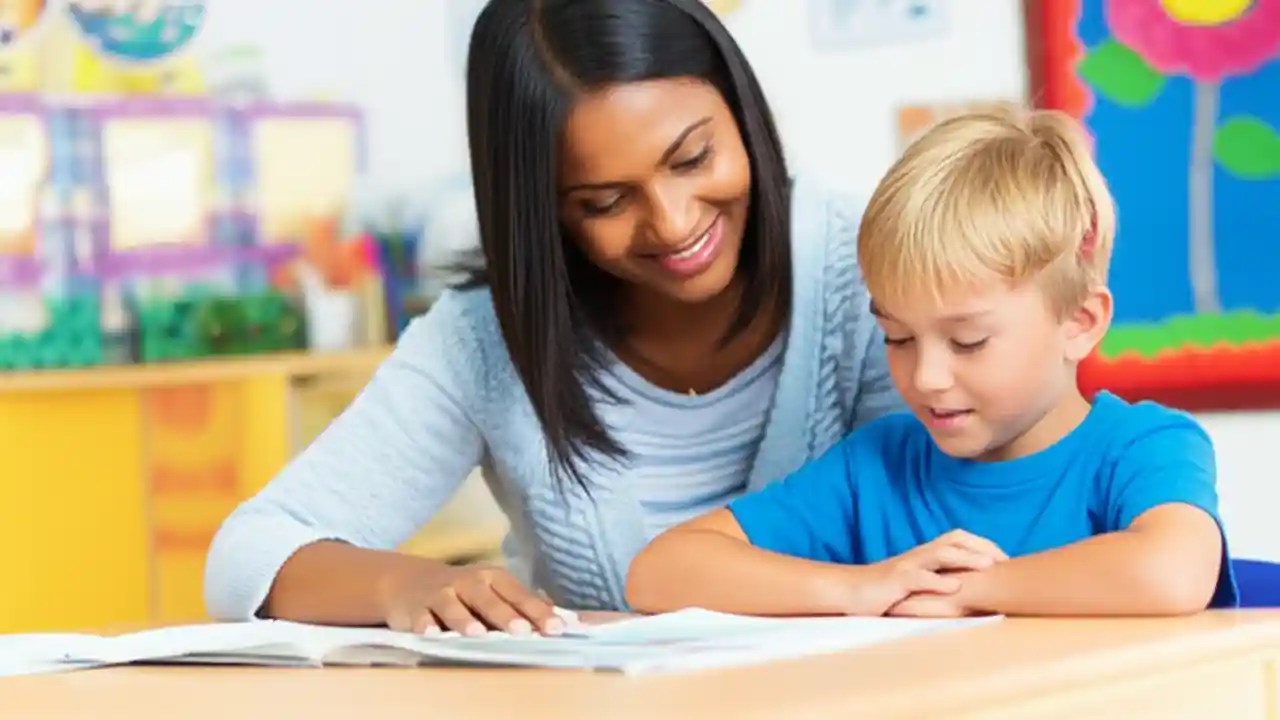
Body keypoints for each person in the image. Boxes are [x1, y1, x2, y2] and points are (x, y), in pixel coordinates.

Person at [203, 0, 903, 636]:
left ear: (741, 109)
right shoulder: (484, 339)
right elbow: (249, 552)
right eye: (604, 202)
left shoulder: (872, 268)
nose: (674, 223)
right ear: (541, 210)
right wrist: (409, 584)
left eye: (693, 158)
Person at [625, 108, 1240, 618]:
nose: (925, 378)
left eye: (968, 342)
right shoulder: (878, 465)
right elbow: (659, 573)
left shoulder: (1143, 447)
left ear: (1078, 323)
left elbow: (1172, 572)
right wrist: (864, 589)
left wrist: (967, 589)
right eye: (896, 337)